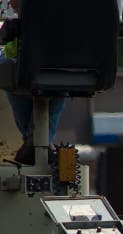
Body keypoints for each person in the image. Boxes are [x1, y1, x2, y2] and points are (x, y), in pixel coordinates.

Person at [0, 0, 66, 165]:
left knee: (8, 66)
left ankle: (32, 140)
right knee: (63, 79)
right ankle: (39, 141)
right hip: (79, 64)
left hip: (29, 61)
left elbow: (11, 15)